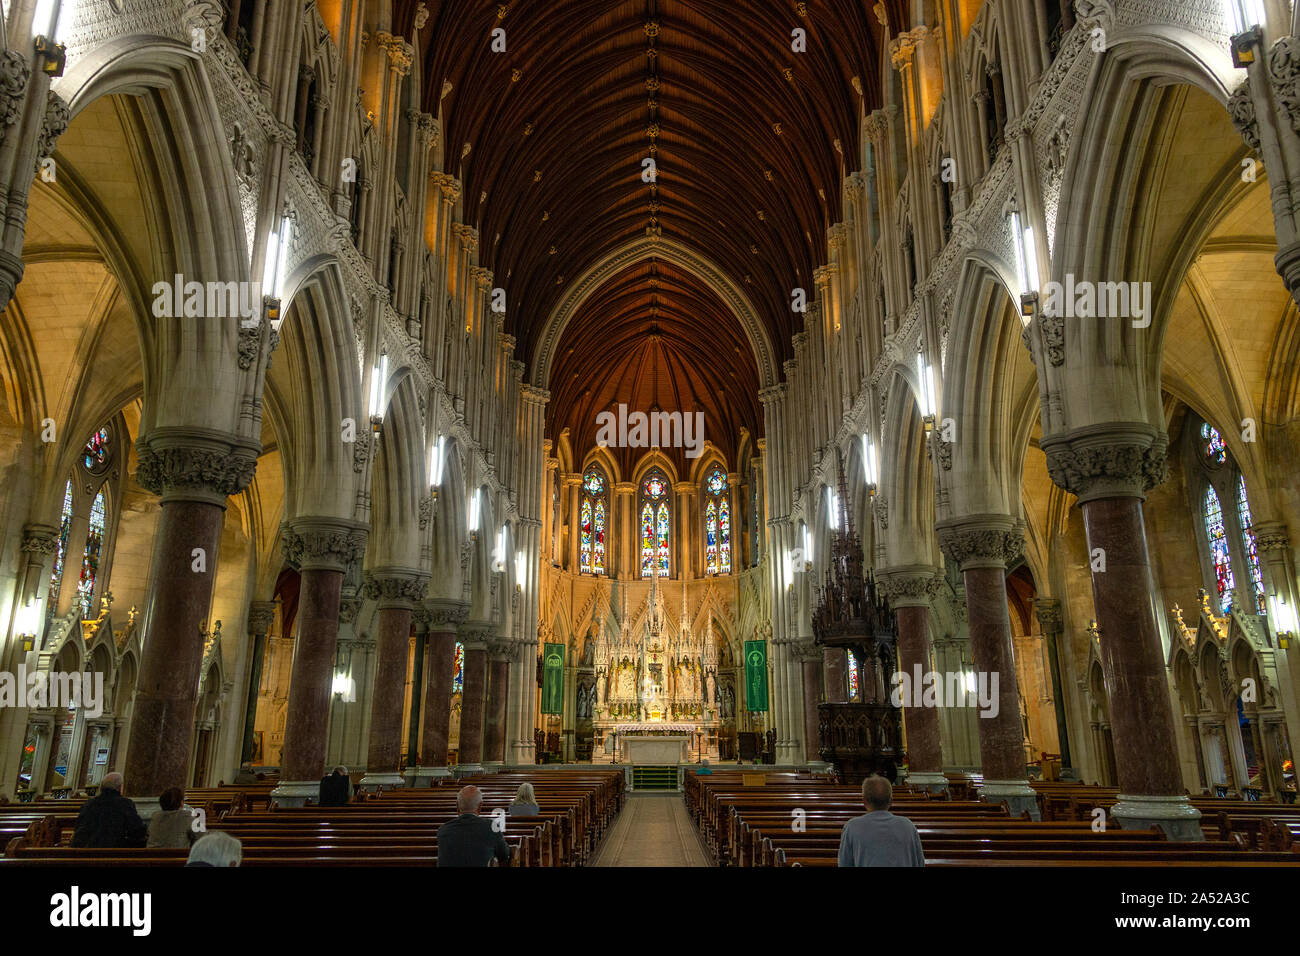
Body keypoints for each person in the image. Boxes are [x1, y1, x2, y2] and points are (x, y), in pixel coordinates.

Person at [837, 775, 924, 867]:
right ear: (891, 801)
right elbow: (919, 863)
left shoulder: (852, 827)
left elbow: (844, 863)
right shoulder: (908, 826)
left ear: (864, 801)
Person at [436, 785, 510, 867]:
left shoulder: (443, 830)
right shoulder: (491, 827)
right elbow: (505, 854)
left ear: (457, 806)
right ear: (480, 807)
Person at [70, 772, 147, 848]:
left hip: (87, 851)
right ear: (120, 788)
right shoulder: (125, 804)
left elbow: (79, 828)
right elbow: (137, 829)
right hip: (114, 852)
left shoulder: (89, 803)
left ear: (101, 788)